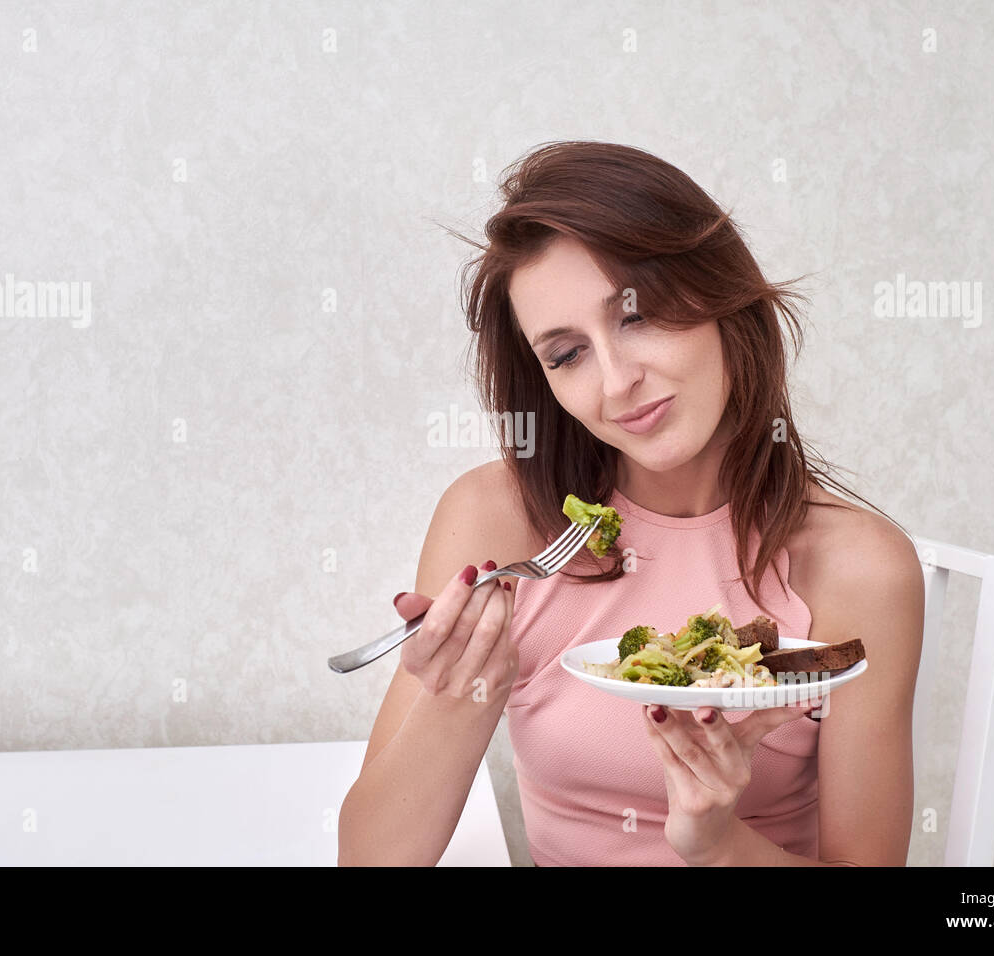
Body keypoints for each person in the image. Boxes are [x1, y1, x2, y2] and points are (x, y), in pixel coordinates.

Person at [338, 141, 925, 867]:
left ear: (717, 295)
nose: (616, 382)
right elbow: (372, 860)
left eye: (636, 316)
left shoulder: (859, 567)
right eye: (567, 354)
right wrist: (461, 695)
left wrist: (714, 844)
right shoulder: (498, 521)